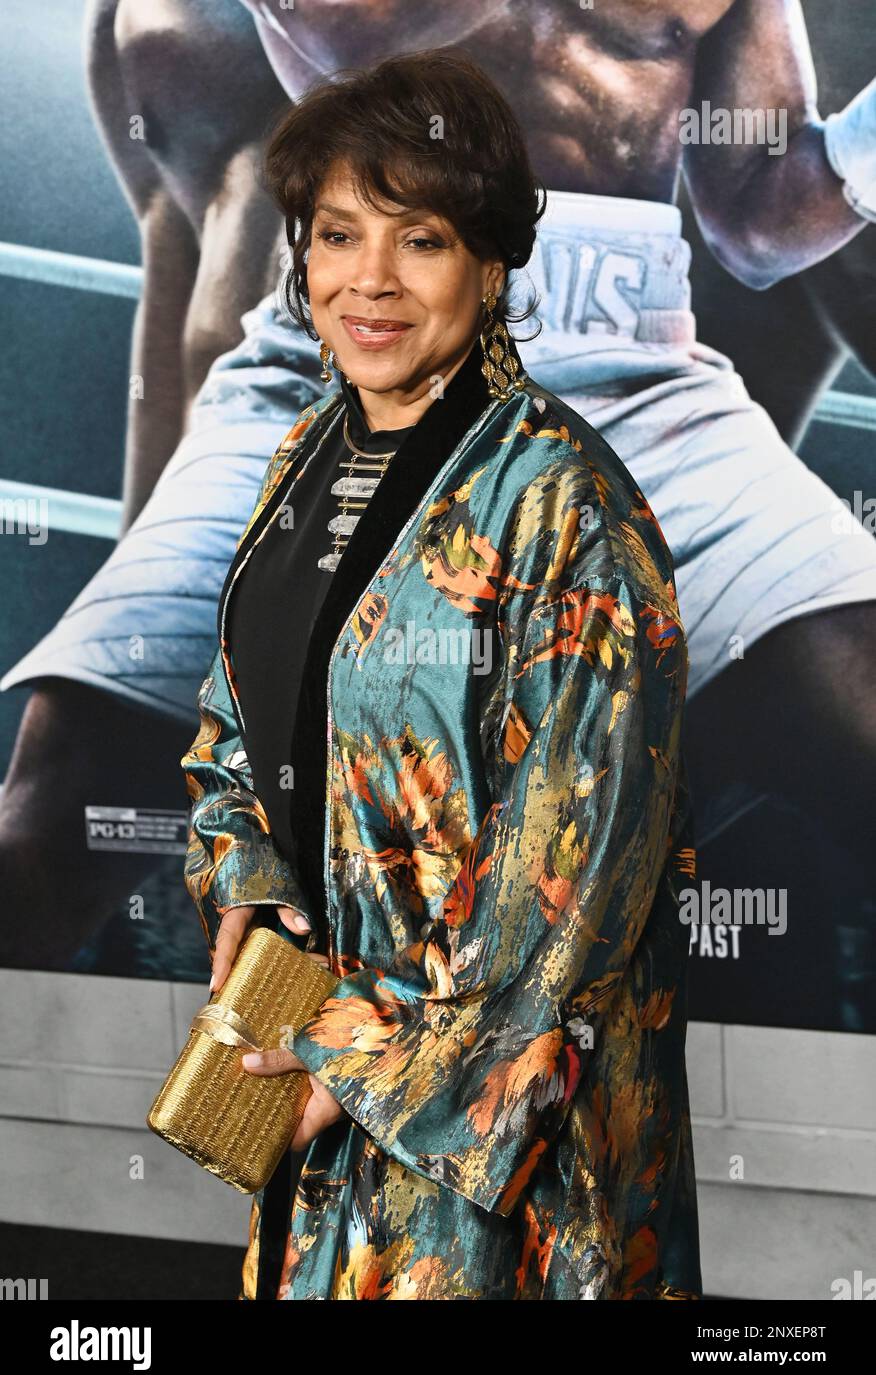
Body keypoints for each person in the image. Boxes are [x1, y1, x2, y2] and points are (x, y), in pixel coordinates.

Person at [2, 3, 874, 1037]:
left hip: (633, 365)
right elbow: (352, 38)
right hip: (349, 357)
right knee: (59, 823)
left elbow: (763, 219)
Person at [180, 51, 702, 1301]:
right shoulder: (304, 460)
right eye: (337, 235)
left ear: (492, 262)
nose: (369, 281)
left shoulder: (568, 507)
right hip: (313, 1095)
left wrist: (355, 1061)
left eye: (418, 241)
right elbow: (238, 724)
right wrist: (248, 880)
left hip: (507, 1168)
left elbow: (574, 889)